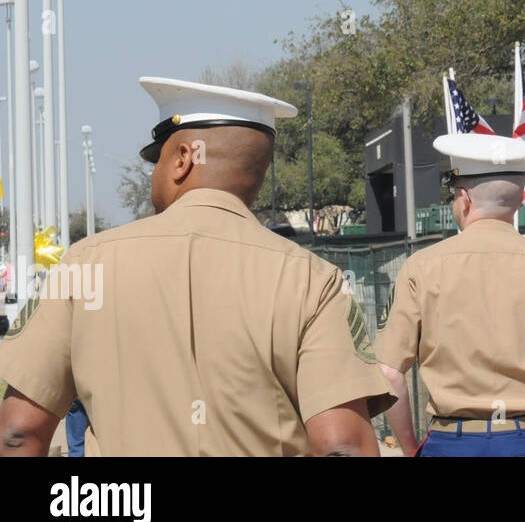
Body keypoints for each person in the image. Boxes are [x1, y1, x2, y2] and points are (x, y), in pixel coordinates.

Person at [0, 77, 395, 456]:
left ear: (183, 160)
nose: (153, 175)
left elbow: (17, 433)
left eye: (156, 160)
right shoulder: (312, 279)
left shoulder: (84, 266)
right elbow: (342, 446)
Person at [376, 132, 525, 457]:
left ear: (465, 198)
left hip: (451, 441)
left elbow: (389, 372)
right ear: (517, 200)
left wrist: (408, 448)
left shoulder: (420, 267)